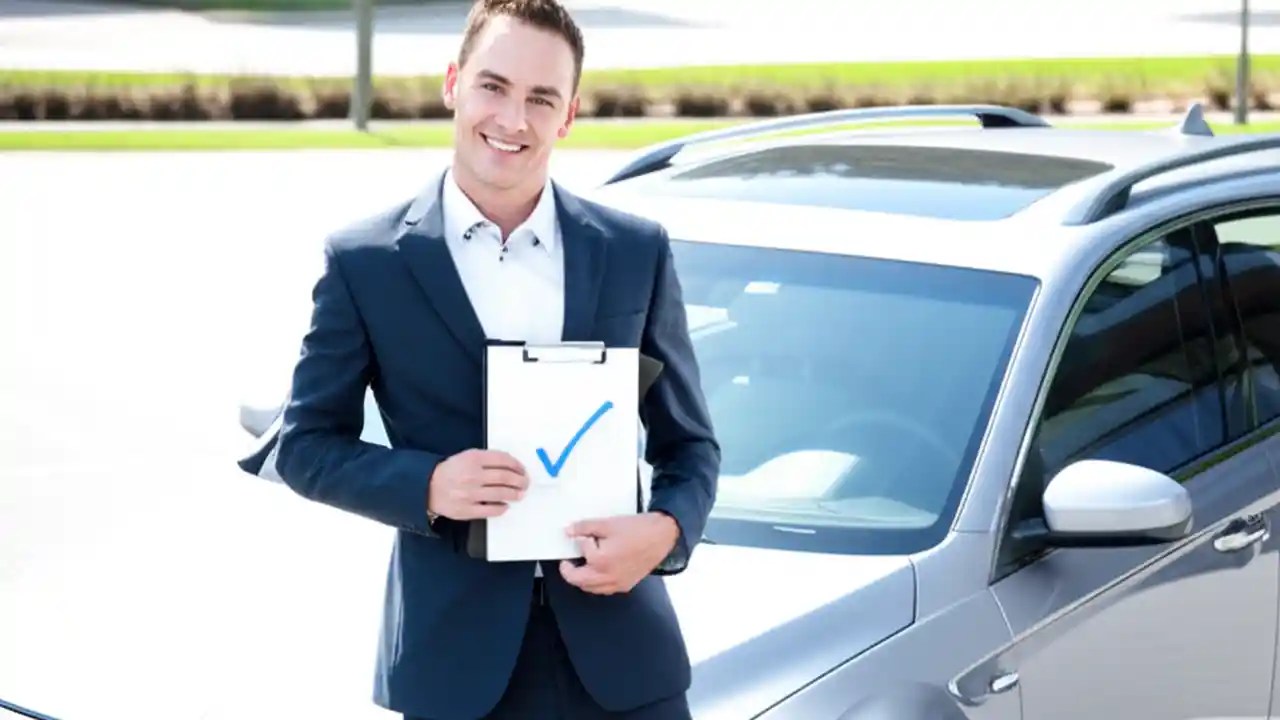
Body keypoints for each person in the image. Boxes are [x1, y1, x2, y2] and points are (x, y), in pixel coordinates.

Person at [268, 1, 720, 718]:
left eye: (542, 99)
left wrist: (665, 533)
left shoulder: (636, 251)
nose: (513, 120)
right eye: (493, 86)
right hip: (454, 673)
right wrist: (429, 485)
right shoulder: (365, 262)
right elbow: (304, 447)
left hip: (627, 668)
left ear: (568, 115)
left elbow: (690, 445)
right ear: (454, 83)